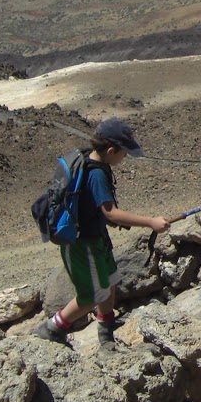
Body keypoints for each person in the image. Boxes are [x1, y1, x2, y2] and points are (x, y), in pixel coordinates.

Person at [33, 118, 171, 345]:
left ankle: (106, 328)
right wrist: (151, 222)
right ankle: (52, 328)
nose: (125, 157)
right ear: (110, 150)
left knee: (109, 280)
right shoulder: (97, 174)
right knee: (91, 297)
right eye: (123, 153)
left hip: (96, 239)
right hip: (83, 244)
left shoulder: (92, 160)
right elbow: (111, 213)